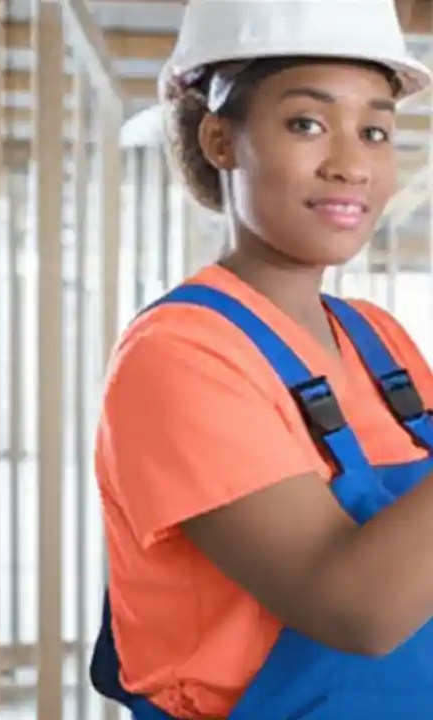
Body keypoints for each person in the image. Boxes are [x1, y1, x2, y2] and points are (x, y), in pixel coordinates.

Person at [90, 1, 433, 718]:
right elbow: (356, 608)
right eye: (306, 123)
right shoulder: (181, 357)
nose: (349, 165)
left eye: (375, 130)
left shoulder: (379, 341)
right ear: (221, 138)